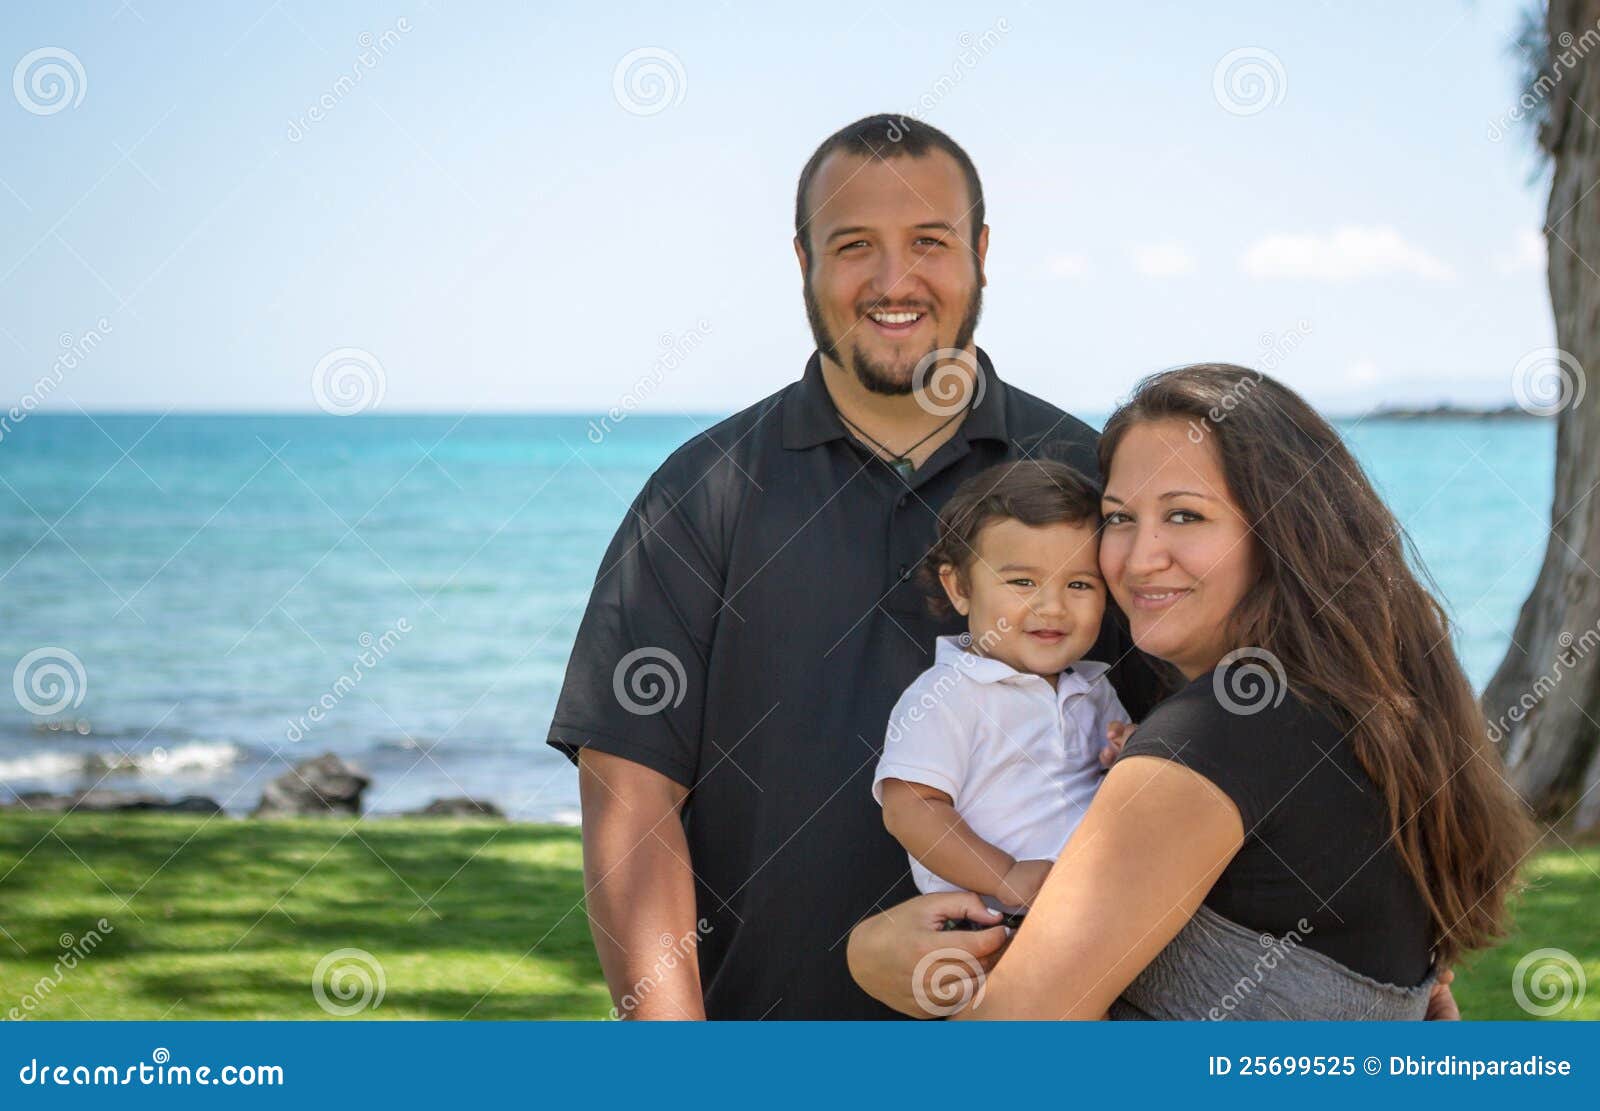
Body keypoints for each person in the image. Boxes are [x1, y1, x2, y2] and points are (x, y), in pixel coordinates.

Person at [546, 113, 1161, 1020]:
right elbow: (632, 798)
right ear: (804, 260)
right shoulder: (701, 494)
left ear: (982, 253)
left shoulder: (1095, 476)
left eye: (929, 242)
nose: (893, 280)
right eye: (854, 246)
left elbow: (1230, 736)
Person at [848, 365, 1530, 1020]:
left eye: (1184, 516)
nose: (1140, 556)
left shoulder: (1217, 733)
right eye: (1119, 518)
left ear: (1282, 531)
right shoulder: (1352, 710)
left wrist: (871, 960)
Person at [874, 461, 1132, 917]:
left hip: (1093, 912)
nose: (1051, 607)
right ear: (958, 586)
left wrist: (1127, 755)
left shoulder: (1093, 686)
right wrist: (1004, 874)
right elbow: (910, 807)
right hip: (992, 918)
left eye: (1078, 584)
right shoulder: (947, 695)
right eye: (1022, 582)